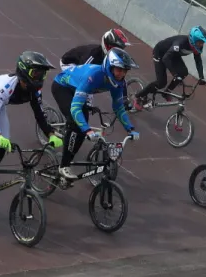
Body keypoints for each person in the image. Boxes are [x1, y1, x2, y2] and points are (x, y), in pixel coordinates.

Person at [0, 51, 64, 192]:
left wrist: (50, 133)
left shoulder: (35, 91)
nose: (40, 77)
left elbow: (39, 114)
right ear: (24, 71)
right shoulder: (6, 87)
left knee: (5, 142)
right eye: (36, 73)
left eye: (43, 74)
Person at [51, 48, 140, 180]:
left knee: (82, 126)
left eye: (125, 71)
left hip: (79, 90)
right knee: (77, 124)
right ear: (109, 67)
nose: (122, 74)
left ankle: (69, 154)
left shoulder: (117, 82)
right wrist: (87, 130)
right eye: (119, 69)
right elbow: (75, 108)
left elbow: (118, 107)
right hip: (63, 88)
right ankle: (63, 166)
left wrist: (130, 129)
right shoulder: (94, 75)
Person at [131, 25, 206, 111]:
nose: (202, 44)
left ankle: (167, 92)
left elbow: (198, 60)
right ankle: (137, 96)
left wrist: (201, 77)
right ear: (193, 39)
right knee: (161, 82)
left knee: (183, 72)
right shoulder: (180, 43)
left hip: (173, 55)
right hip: (160, 54)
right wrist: (175, 74)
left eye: (203, 42)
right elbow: (165, 58)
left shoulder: (197, 47)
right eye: (200, 42)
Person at [58, 27, 130, 70]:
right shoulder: (93, 55)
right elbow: (82, 72)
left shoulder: (105, 54)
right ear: (107, 45)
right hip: (69, 63)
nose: (118, 51)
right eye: (116, 47)